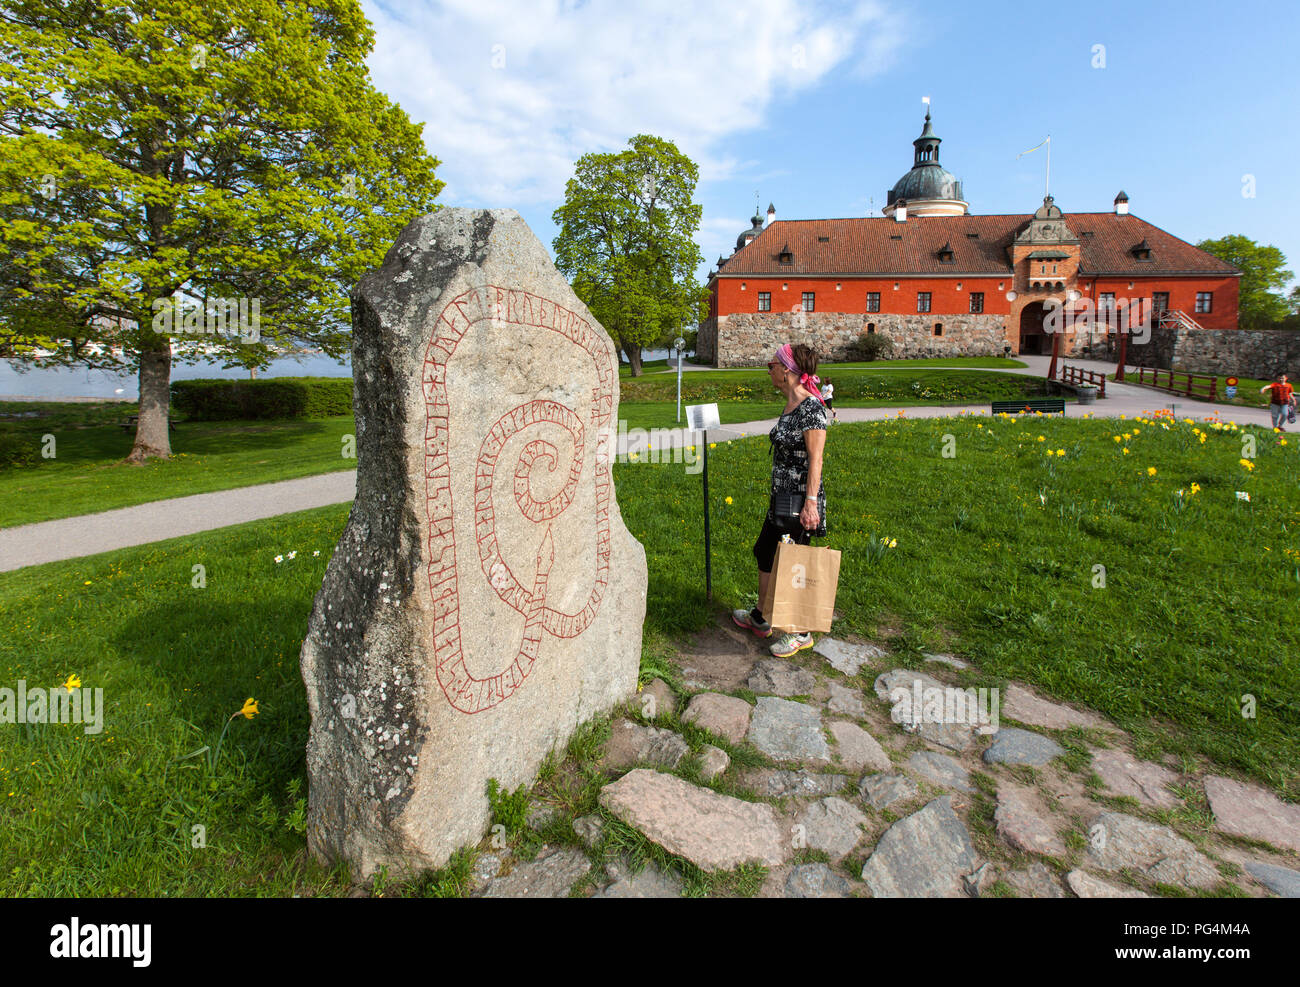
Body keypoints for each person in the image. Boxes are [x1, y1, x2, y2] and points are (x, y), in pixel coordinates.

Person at [732, 342, 828, 658]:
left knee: (795, 565)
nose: (768, 370)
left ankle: (801, 632)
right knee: (764, 551)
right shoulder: (790, 404)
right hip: (781, 498)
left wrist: (811, 504)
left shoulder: (812, 408)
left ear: (786, 370)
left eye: (771, 365)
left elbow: (816, 459)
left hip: (800, 501)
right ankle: (761, 617)